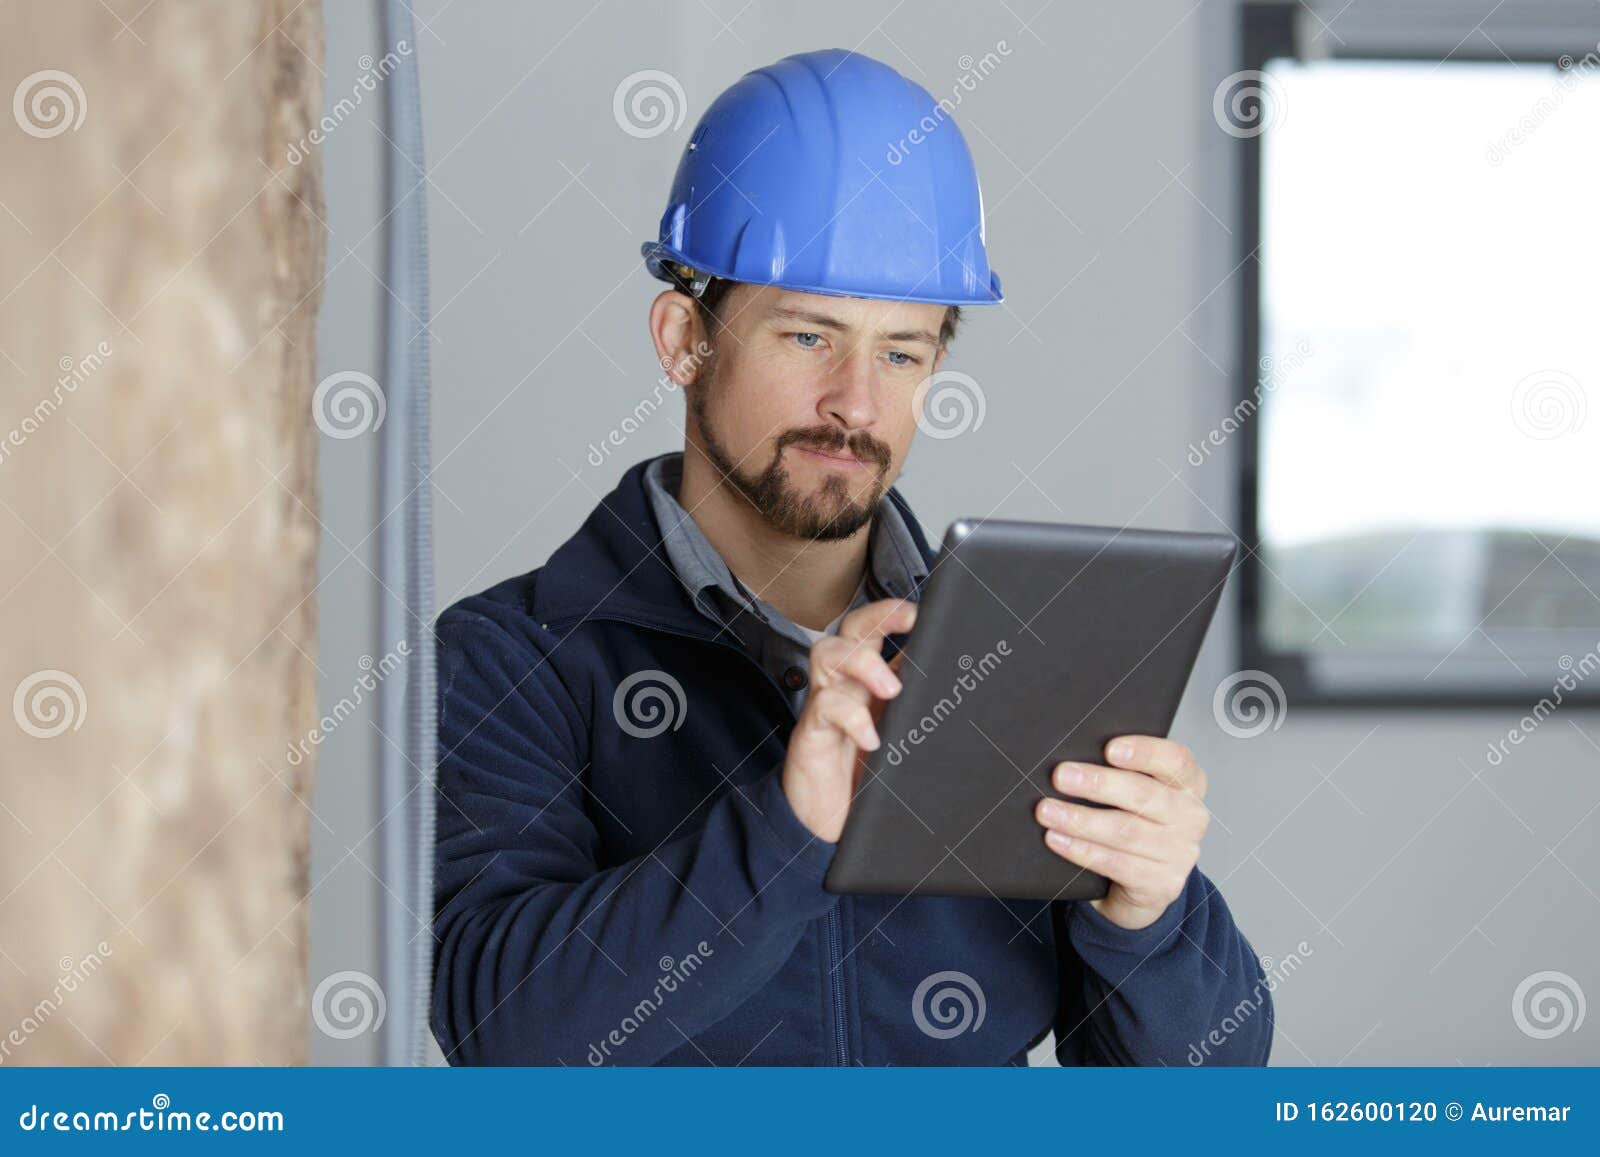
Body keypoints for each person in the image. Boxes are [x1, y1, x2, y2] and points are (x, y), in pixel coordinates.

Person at [431, 47, 1272, 1066]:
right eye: (805, 338)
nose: (856, 403)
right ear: (681, 338)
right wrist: (788, 828)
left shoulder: (1006, 660)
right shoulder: (515, 656)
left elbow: (1196, 1089)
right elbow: (502, 1028)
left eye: (901, 352)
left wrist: (1148, 914)